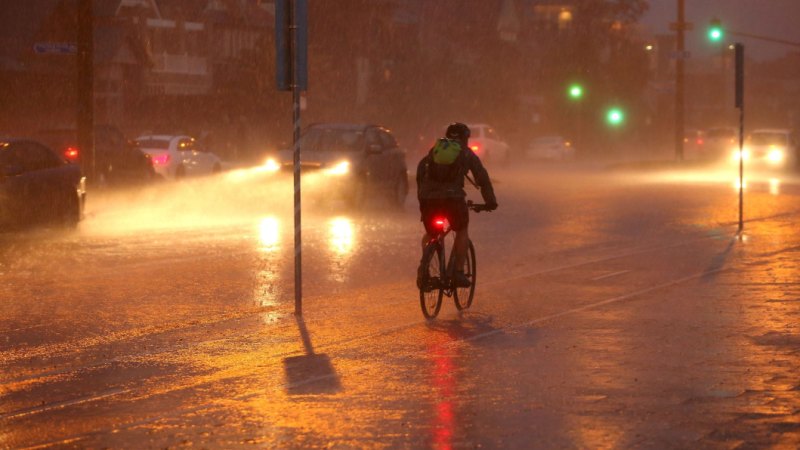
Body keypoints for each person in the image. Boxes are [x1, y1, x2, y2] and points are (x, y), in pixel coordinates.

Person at [416, 122, 498, 288]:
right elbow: (482, 178)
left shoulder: (434, 151)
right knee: (461, 230)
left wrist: (423, 201)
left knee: (431, 233)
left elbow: (420, 174)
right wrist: (490, 201)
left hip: (429, 199)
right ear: (465, 138)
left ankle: (424, 267)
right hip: (453, 199)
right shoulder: (466, 154)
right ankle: (459, 272)